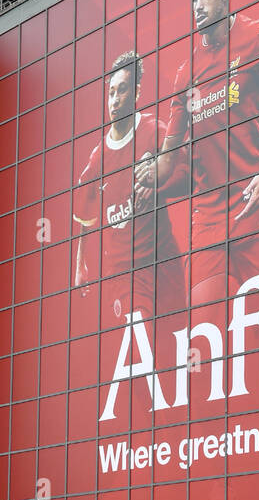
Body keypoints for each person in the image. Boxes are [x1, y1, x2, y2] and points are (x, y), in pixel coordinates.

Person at [135, 0, 259, 309]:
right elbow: (166, 164)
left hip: (253, 212)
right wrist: (147, 173)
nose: (198, 4)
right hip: (208, 224)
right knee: (205, 331)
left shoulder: (258, 37)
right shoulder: (187, 74)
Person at [73, 51, 186, 316]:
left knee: (174, 348)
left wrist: (157, 185)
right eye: (111, 92)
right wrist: (80, 265)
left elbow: (187, 176)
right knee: (140, 338)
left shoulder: (154, 131)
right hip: (126, 275)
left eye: (121, 91)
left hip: (164, 262)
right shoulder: (98, 158)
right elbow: (84, 216)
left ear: (135, 93)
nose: (114, 100)